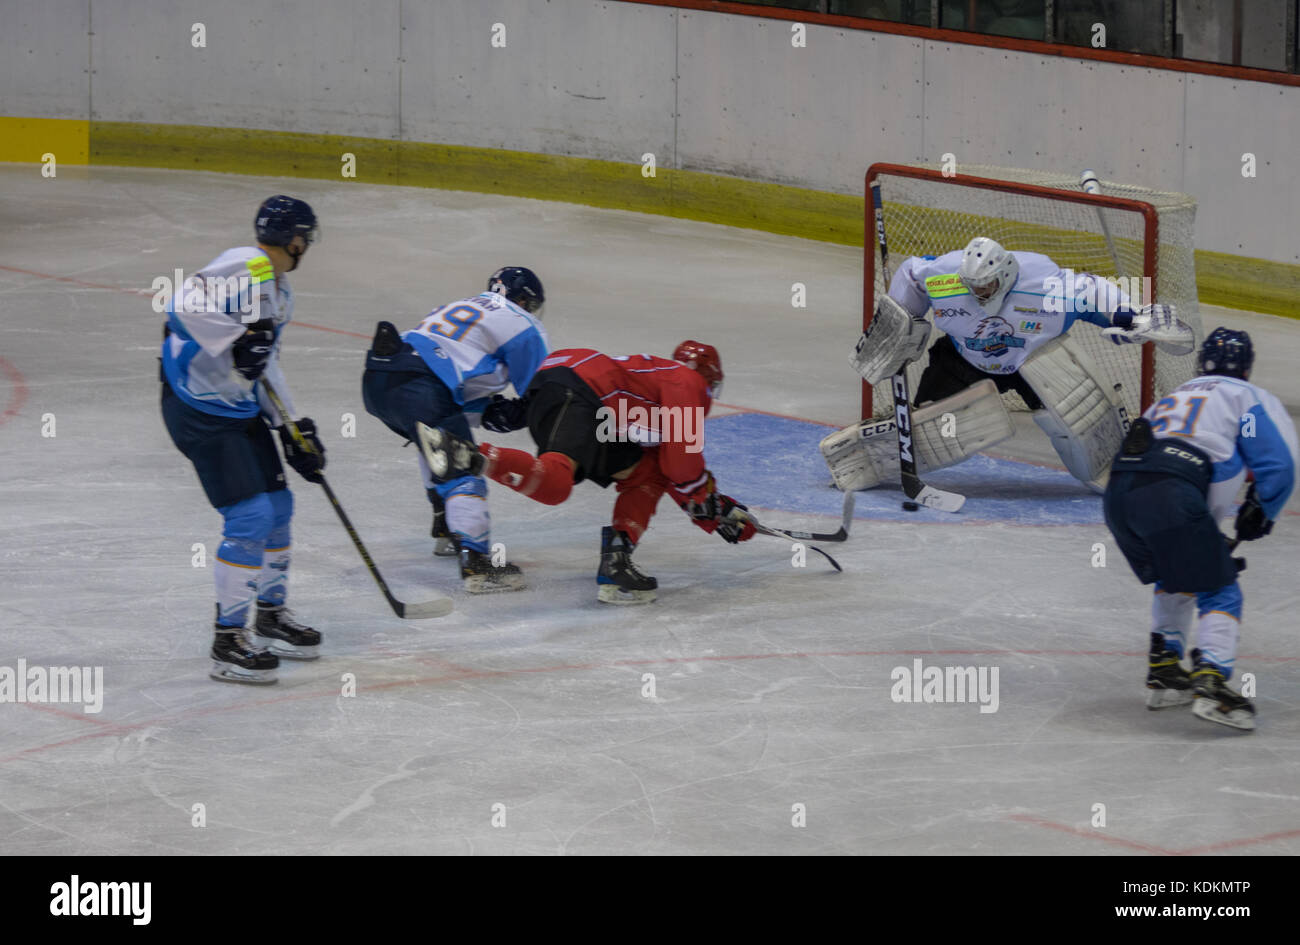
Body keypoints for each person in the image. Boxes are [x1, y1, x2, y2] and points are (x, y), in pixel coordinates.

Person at [825, 236, 1196, 493]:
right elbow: (911, 273)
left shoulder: (1047, 285)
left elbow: (1094, 290)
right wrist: (900, 318)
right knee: (928, 423)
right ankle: (875, 459)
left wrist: (1133, 318)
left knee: (1082, 430)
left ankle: (1127, 470)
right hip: (964, 359)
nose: (977, 294)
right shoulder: (948, 276)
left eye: (985, 287)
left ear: (1003, 275)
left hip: (1033, 363)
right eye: (972, 287)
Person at [415, 341, 755, 604]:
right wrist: (708, 502)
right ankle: (468, 456)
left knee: (645, 472)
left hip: (575, 390)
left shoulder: (656, 382)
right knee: (557, 481)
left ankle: (617, 561)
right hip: (581, 391)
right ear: (709, 379)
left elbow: (668, 469)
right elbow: (683, 465)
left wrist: (715, 512)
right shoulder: (688, 382)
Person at [160, 195, 325, 684]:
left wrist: (291, 425)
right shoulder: (246, 264)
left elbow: (263, 364)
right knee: (249, 516)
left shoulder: (279, 290)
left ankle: (270, 616)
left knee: (278, 507)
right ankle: (228, 640)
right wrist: (235, 338)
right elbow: (180, 306)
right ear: (295, 240)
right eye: (306, 238)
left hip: (238, 406)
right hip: (199, 409)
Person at [1103, 328, 1297, 730]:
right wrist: (1263, 510)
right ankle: (1211, 681)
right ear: (1246, 367)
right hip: (1171, 493)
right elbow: (1279, 463)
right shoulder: (1246, 397)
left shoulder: (1173, 396)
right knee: (1220, 588)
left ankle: (1165, 670)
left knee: (1177, 574)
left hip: (1119, 495)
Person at [361, 268, 548, 592]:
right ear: (523, 301)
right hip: (421, 386)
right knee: (463, 467)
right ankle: (476, 562)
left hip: (378, 381)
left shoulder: (464, 305)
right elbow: (542, 393)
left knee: (435, 440)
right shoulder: (523, 323)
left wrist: (486, 410)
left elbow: (452, 378)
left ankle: (446, 525)